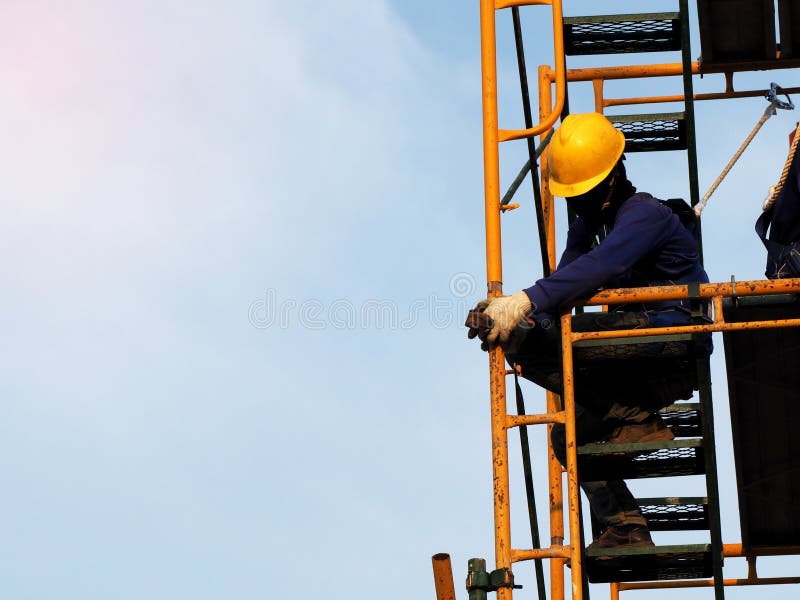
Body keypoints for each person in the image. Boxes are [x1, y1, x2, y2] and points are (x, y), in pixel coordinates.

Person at [466, 112, 711, 550]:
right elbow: (565, 284)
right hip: (636, 350)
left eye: (584, 193)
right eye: (573, 197)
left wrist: (521, 302)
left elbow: (601, 266)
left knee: (535, 336)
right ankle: (626, 525)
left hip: (671, 341)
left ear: (613, 178)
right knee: (568, 432)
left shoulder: (644, 215)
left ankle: (636, 418)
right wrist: (506, 318)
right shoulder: (589, 224)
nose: (578, 203)